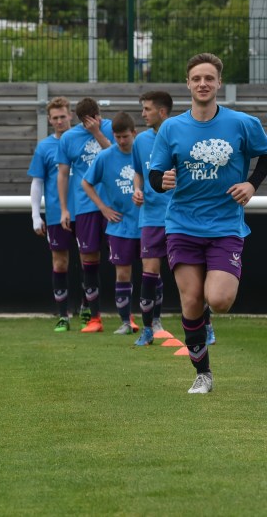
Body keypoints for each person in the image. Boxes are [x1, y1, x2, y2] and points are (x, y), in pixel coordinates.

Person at [149, 52, 267, 393]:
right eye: (197, 78)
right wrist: (162, 182)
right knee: (189, 302)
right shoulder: (171, 127)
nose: (203, 83)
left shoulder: (242, 123)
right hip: (182, 225)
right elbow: (156, 174)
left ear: (218, 83)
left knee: (218, 300)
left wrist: (251, 184)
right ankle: (203, 374)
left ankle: (209, 315)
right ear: (188, 84)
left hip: (225, 227)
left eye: (209, 78)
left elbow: (265, 155)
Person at [57, 97, 115, 333]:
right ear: (82, 120)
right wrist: (64, 208)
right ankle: (94, 318)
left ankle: (127, 317)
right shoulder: (69, 138)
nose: (97, 121)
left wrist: (98, 132)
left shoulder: (111, 128)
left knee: (124, 260)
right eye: (92, 120)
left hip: (114, 205)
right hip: (86, 207)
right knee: (88, 260)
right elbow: (63, 174)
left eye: (98, 116)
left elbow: (117, 156)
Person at [82, 112, 141, 334]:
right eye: (117, 136)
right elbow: (86, 183)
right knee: (123, 274)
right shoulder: (105, 157)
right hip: (119, 225)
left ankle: (154, 322)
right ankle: (126, 322)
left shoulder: (145, 152)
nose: (121, 141)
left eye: (125, 136)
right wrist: (103, 207)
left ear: (134, 133)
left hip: (145, 222)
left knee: (150, 272)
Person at [131, 91, 177, 346]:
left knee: (190, 274)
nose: (143, 113)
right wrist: (136, 190)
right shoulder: (140, 141)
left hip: (179, 217)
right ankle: (148, 329)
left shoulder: (182, 135)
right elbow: (139, 173)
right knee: (149, 272)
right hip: (150, 216)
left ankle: (206, 327)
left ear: (161, 112)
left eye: (147, 109)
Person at [27, 97, 76, 332]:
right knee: (60, 262)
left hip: (87, 212)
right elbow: (37, 182)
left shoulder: (83, 141)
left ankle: (89, 311)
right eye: (54, 118)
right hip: (57, 214)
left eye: (62, 116)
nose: (59, 121)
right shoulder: (44, 147)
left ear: (71, 116)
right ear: (49, 120)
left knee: (91, 261)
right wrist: (36, 215)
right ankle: (63, 315)